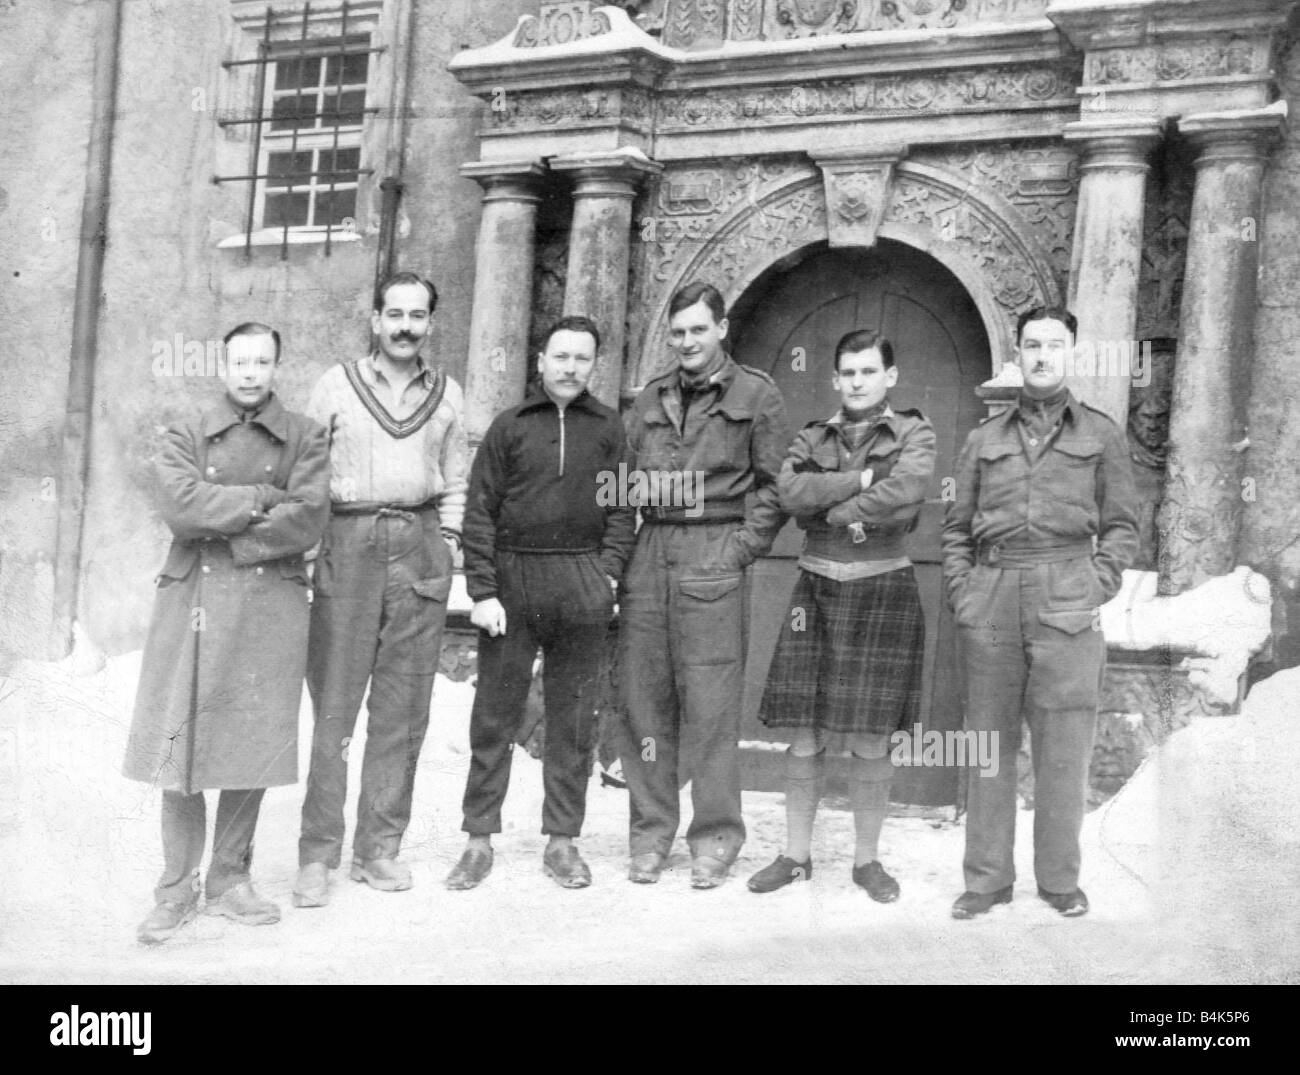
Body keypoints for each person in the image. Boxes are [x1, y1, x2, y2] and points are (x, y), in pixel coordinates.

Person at [125, 322, 330, 945]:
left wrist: (232, 517)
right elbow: (180, 508)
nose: (250, 373)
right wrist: (265, 496)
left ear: (275, 366)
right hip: (193, 596)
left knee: (252, 737)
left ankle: (229, 879)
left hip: (270, 601)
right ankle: (175, 886)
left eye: (262, 361)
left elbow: (308, 518)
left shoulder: (305, 435)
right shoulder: (184, 431)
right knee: (178, 740)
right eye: (240, 361)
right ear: (223, 365)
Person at [942, 305, 1139, 919]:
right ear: (1018, 354)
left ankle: (1058, 879)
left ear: (1071, 354)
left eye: (1054, 345)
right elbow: (955, 530)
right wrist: (967, 594)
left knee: (1064, 744)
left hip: (1067, 596)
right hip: (995, 592)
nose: (1043, 356)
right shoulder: (985, 439)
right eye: (1032, 345)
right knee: (987, 744)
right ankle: (987, 879)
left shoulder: (1101, 434)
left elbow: (1123, 527)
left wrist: (1091, 586)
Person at [293, 272, 469, 906]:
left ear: (429, 323)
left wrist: (447, 543)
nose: (404, 326)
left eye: (416, 316)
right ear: (374, 319)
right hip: (350, 539)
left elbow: (457, 478)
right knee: (335, 709)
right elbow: (307, 472)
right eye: (393, 314)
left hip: (418, 544)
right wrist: (313, 553)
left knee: (402, 713)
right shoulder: (335, 386)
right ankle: (317, 855)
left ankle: (378, 850)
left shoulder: (448, 393)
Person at [445, 316, 636, 891]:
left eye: (582, 358)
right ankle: (478, 840)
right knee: (495, 714)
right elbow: (479, 512)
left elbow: (624, 510)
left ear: (593, 365)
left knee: (574, 718)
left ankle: (563, 841)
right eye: (561, 357)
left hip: (579, 576)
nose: (570, 367)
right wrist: (482, 590)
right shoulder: (510, 427)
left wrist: (605, 576)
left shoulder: (609, 428)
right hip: (513, 578)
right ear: (541, 361)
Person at [747, 330, 935, 901]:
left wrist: (833, 512)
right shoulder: (811, 434)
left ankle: (866, 862)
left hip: (884, 589)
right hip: (818, 591)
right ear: (835, 379)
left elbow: (909, 488)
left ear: (890, 376)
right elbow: (789, 492)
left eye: (868, 371)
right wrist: (861, 480)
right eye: (847, 373)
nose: (857, 382)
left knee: (872, 737)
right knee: (805, 733)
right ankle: (796, 855)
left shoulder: (913, 431)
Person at [619, 281, 791, 889]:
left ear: (721, 328)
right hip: (652, 549)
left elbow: (775, 485)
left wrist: (741, 549)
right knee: (644, 701)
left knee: (712, 707)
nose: (688, 341)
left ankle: (715, 838)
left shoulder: (756, 395)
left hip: (714, 547)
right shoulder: (650, 398)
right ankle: (649, 834)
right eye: (678, 331)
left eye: (699, 329)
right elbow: (623, 475)